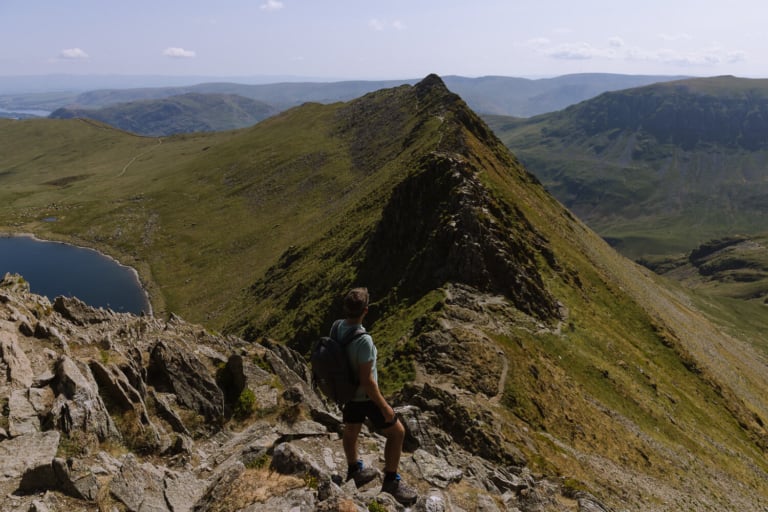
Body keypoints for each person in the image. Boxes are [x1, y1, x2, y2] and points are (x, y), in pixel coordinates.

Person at [335, 287, 418, 506]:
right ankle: (391, 481)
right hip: (366, 398)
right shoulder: (365, 341)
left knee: (351, 429)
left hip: (346, 393)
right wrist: (384, 406)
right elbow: (368, 382)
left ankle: (354, 470)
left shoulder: (337, 327)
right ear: (366, 310)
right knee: (397, 432)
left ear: (346, 308)